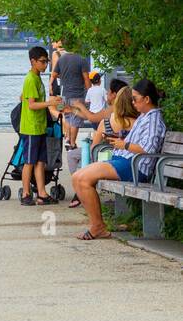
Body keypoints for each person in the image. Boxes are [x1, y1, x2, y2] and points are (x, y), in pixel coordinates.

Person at [71, 79, 167, 241]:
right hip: (123, 161)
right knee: (77, 177)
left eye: (135, 98)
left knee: (83, 178)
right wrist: (119, 142)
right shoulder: (145, 117)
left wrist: (124, 144)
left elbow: (148, 149)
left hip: (133, 167)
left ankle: (97, 227)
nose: (132, 102)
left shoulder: (153, 120)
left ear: (146, 99)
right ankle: (97, 225)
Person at [17, 46, 66, 206]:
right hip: (31, 128)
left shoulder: (37, 78)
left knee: (41, 162)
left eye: (47, 62)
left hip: (40, 126)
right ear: (33, 61)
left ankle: (42, 194)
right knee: (29, 162)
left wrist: (52, 103)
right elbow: (31, 105)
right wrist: (50, 103)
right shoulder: (30, 79)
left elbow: (25, 98)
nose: (46, 65)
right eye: (43, 62)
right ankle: (26, 193)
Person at [50, 41, 91, 149]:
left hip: (63, 94)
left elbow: (53, 75)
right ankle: (72, 143)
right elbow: (86, 78)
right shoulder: (82, 59)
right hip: (77, 94)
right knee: (76, 119)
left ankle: (68, 138)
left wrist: (52, 85)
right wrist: (89, 93)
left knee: (66, 116)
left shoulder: (61, 58)